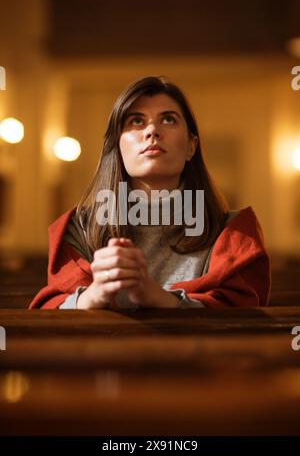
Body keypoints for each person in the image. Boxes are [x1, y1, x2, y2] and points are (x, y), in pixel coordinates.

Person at [30, 76, 271, 310]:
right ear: (118, 146)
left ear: (191, 146)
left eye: (168, 120)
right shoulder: (79, 228)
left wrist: (153, 295)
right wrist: (95, 294)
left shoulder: (232, 232)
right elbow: (53, 314)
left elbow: (241, 316)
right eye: (136, 121)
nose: (152, 130)